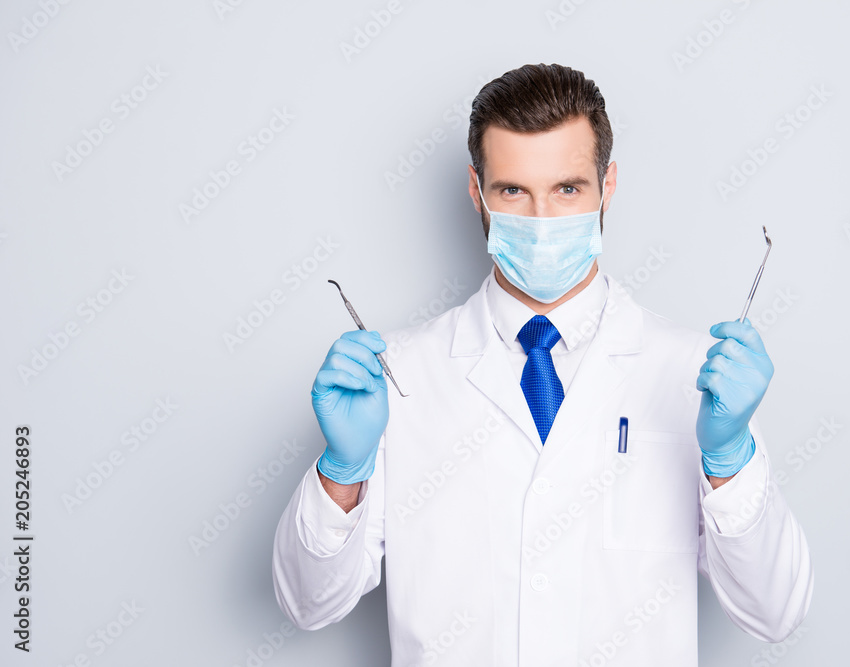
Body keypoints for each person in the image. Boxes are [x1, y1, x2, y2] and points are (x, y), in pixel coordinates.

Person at [272, 63, 813, 666]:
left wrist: (730, 461)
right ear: (476, 191)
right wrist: (342, 472)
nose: (541, 220)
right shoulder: (397, 378)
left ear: (608, 185)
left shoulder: (696, 376)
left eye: (567, 189)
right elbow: (307, 604)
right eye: (513, 191)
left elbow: (774, 612)